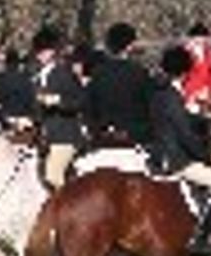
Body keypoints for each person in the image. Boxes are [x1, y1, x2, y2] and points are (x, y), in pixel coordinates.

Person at [149, 45, 211, 255]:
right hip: (176, 159)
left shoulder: (159, 92)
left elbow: (181, 120)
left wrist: (205, 120)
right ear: (185, 72)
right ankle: (203, 236)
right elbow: (185, 134)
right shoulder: (172, 97)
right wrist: (207, 155)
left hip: (159, 152)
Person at [30, 27, 87, 188]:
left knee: (53, 175)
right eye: (39, 51)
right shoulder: (37, 77)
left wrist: (58, 100)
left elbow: (80, 101)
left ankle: (65, 203)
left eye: (45, 51)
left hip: (66, 136)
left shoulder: (64, 73)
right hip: (46, 137)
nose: (41, 55)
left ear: (53, 51)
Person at [84, 22, 153, 148]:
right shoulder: (140, 73)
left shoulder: (97, 74)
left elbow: (88, 108)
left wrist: (97, 130)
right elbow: (151, 109)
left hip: (103, 140)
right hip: (133, 141)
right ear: (129, 46)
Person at [180, 22, 211, 110]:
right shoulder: (184, 55)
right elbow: (182, 77)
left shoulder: (208, 53)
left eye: (202, 42)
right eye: (197, 42)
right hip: (189, 96)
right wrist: (192, 94)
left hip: (206, 94)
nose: (200, 45)